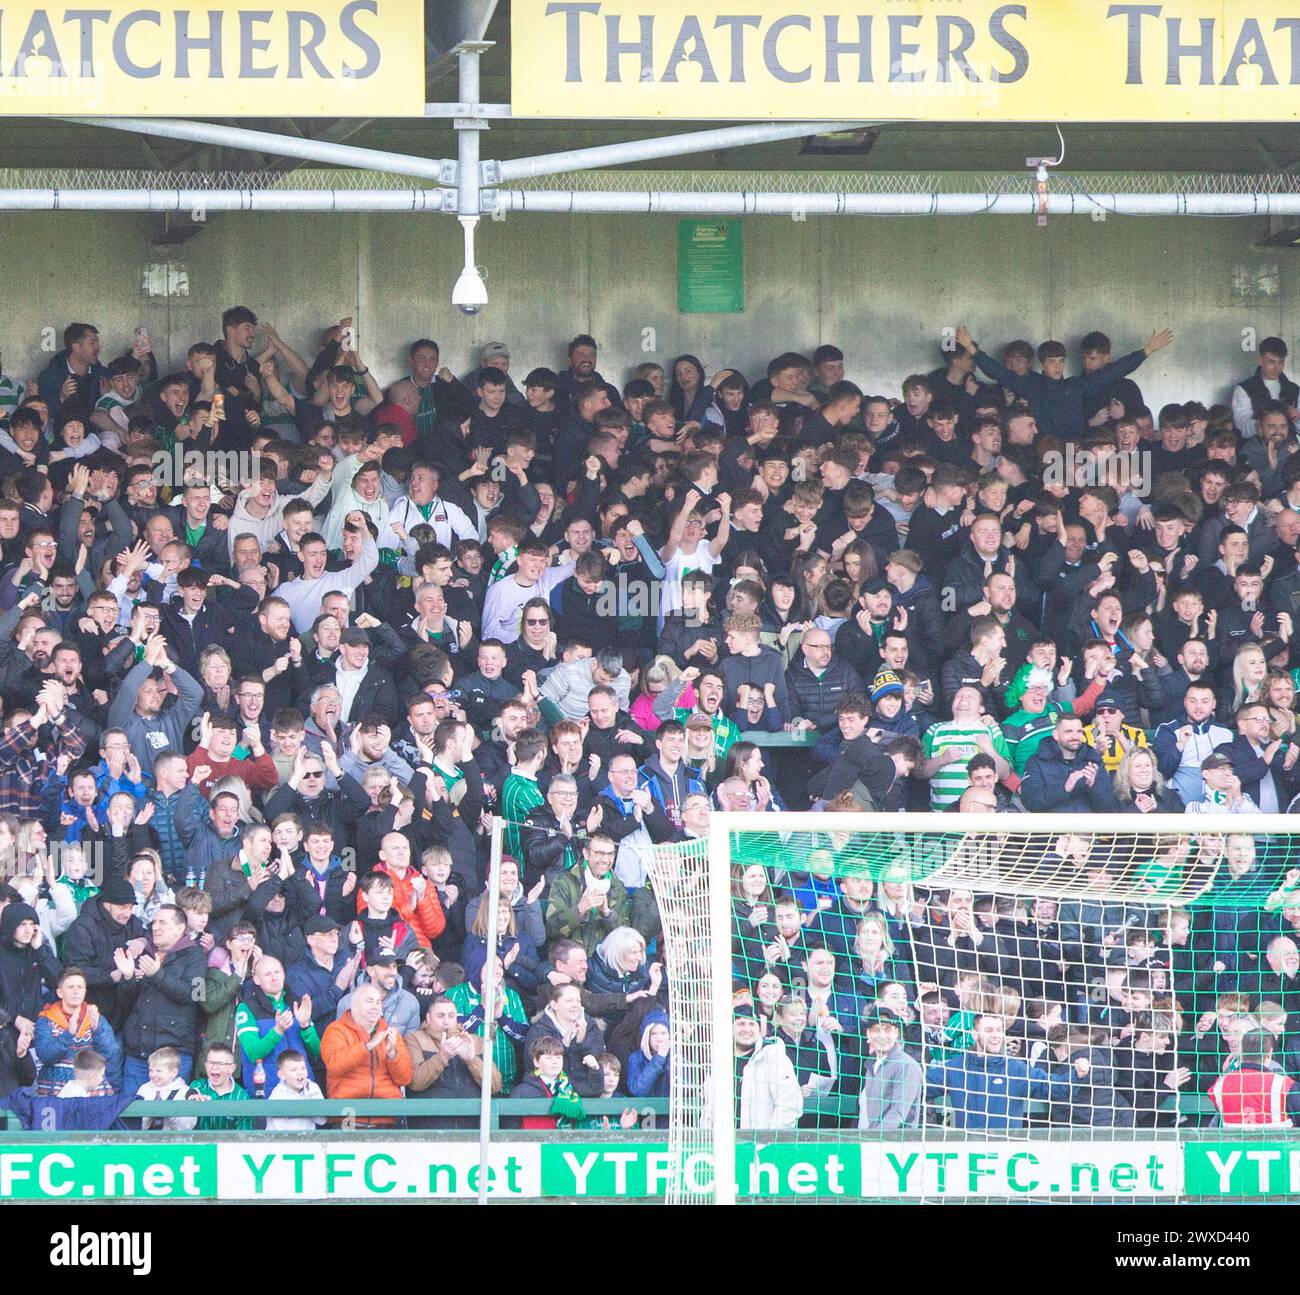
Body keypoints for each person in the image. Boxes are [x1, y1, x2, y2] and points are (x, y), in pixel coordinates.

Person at [319, 982, 413, 1127]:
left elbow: (405, 1078)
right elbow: (335, 1065)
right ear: (354, 1005)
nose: (375, 1007)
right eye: (369, 1001)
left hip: (386, 1118)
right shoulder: (336, 1030)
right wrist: (368, 1046)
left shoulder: (390, 1033)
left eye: (378, 1002)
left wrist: (392, 1055)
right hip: (347, 1116)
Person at [857, 1008, 924, 1131]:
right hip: (865, 1144)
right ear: (868, 1033)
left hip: (892, 1146)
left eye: (888, 1030)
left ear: (896, 1033)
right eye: (876, 1030)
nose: (882, 1036)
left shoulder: (906, 1066)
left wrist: (872, 1140)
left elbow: (898, 1113)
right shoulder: (871, 1065)